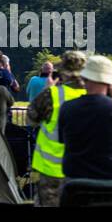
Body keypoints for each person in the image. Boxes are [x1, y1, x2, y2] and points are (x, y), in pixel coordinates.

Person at [59, 55, 112, 183]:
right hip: (111, 180)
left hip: (76, 181)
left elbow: (62, 140)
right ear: (110, 82)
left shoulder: (67, 108)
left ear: (84, 77)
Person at [26, 50, 87, 206]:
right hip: (84, 167)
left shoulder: (52, 95)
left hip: (51, 169)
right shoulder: (93, 95)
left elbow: (31, 118)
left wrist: (48, 88)